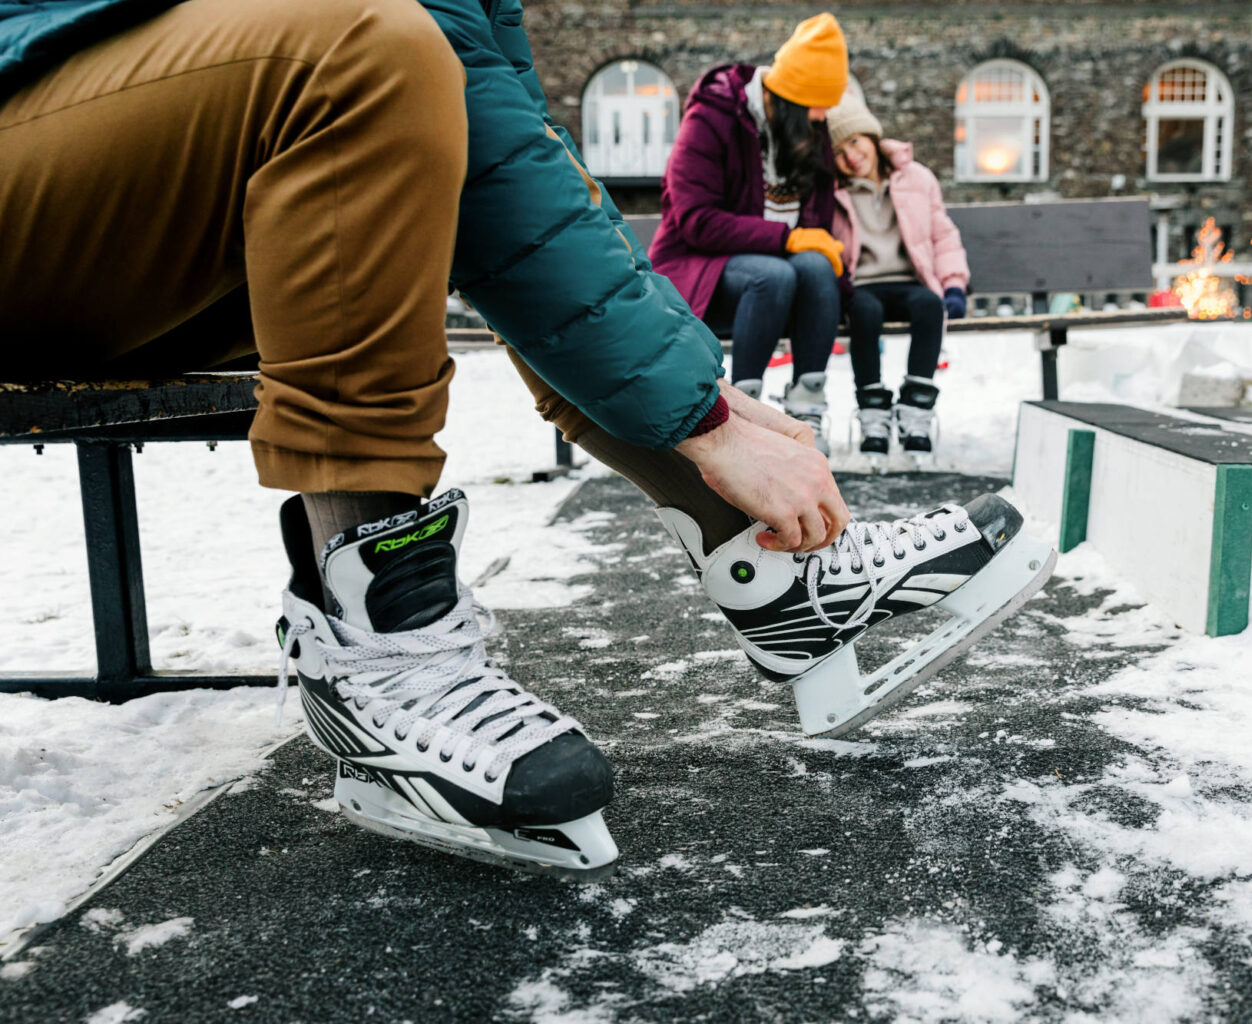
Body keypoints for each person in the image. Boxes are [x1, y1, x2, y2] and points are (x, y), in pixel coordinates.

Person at [0, 0, 1053, 879]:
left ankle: (765, 565)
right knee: (365, 58)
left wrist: (703, 413)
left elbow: (510, 158)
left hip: (152, 181)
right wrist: (705, 412)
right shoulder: (714, 116)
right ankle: (379, 644)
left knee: (441, 120)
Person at [648, 13, 851, 454]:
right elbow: (695, 219)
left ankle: (808, 403)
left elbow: (816, 227)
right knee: (773, 273)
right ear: (787, 99)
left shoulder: (807, 128)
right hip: (702, 268)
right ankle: (743, 408)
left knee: (817, 266)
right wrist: (787, 238)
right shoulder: (713, 116)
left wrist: (823, 260)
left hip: (782, 280)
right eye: (817, 105)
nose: (824, 116)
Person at [826, 96, 971, 465]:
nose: (851, 156)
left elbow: (943, 235)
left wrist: (953, 284)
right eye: (839, 151)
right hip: (862, 284)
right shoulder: (832, 192)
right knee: (863, 312)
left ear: (872, 137)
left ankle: (915, 411)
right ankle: (873, 414)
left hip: (910, 279)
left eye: (855, 142)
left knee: (928, 306)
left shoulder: (917, 179)